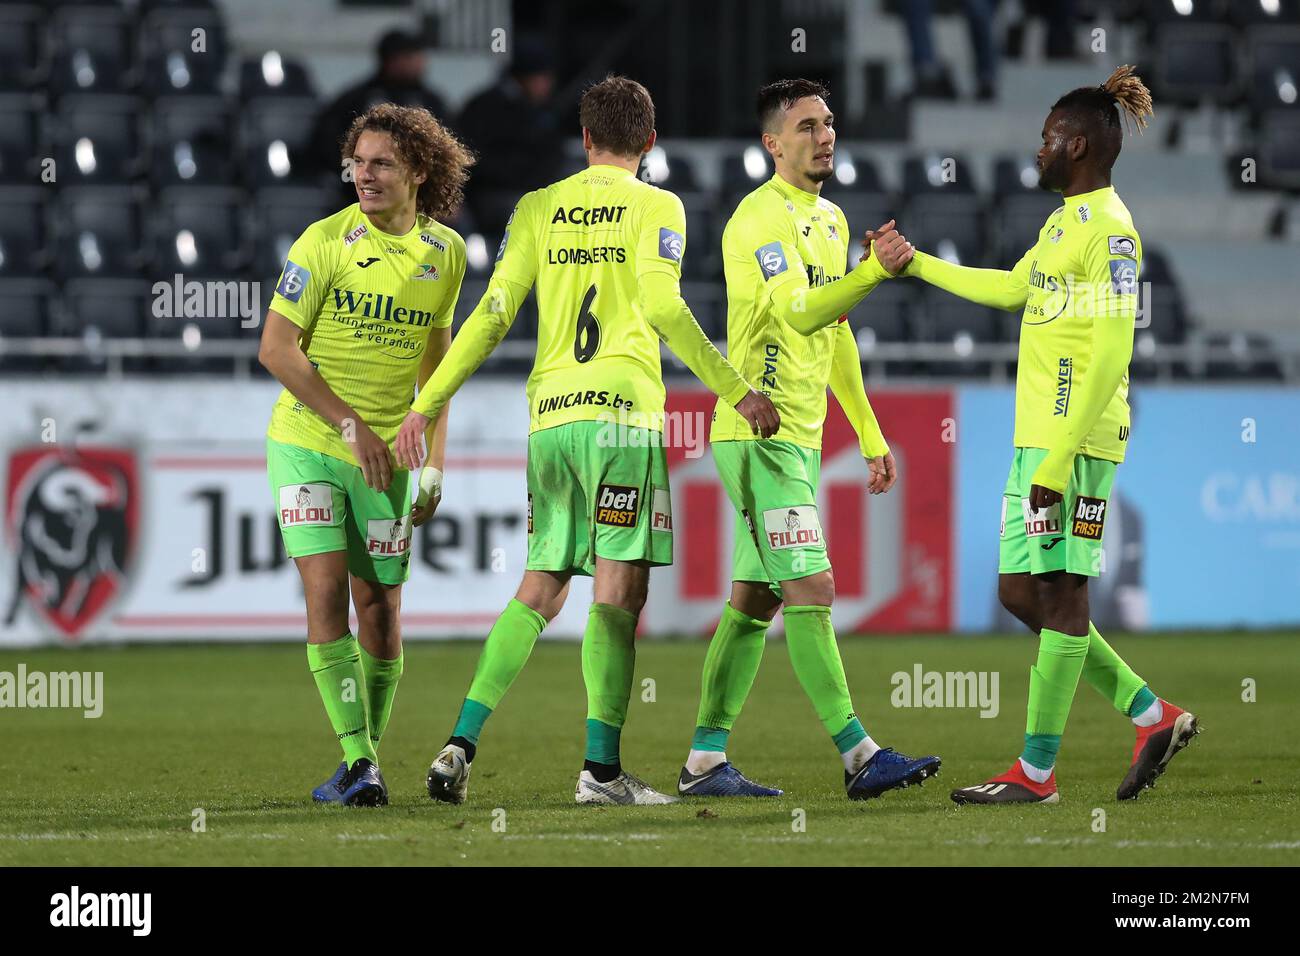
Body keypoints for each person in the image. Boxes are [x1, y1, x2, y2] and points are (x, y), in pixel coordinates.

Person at [391, 75, 780, 806]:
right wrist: (736, 389)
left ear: (586, 139)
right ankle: (601, 773)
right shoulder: (659, 204)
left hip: (552, 421)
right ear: (651, 143)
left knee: (540, 587)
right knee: (619, 594)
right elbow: (664, 305)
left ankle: (461, 741)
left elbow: (492, 313)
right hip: (622, 418)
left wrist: (428, 401)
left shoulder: (538, 207)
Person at [893, 66, 1198, 804]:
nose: (1039, 149)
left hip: (1078, 443)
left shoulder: (1113, 234)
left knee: (1061, 593)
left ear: (1082, 143)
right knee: (1018, 593)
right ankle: (1151, 714)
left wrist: (1060, 458)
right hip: (1038, 438)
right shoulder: (1062, 223)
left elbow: (1114, 349)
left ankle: (1035, 772)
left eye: (1048, 138)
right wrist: (917, 265)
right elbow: (1010, 288)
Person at [676, 78, 941, 801]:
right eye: (805, 125)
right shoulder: (758, 220)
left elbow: (836, 334)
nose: (824, 135)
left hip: (796, 437)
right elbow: (796, 314)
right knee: (812, 588)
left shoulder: (828, 219)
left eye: (828, 122)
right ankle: (860, 756)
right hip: (759, 435)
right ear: (772, 143)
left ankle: (704, 761)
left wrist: (871, 432)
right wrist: (870, 273)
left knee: (754, 601)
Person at [258, 104, 473, 806]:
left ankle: (366, 760)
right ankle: (358, 763)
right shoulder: (322, 243)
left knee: (379, 608)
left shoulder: (446, 256)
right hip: (310, 442)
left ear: (418, 169)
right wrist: (350, 427)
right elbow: (276, 351)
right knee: (325, 592)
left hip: (389, 457)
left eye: (381, 162)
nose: (365, 174)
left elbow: (436, 376)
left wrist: (435, 462)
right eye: (358, 161)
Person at [310, 30, 451, 193]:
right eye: (411, 56)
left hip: (421, 192)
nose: (421, 63)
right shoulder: (357, 99)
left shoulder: (431, 101)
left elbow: (448, 149)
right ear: (392, 60)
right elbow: (327, 144)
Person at [456, 37, 567, 237]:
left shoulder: (541, 110)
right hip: (494, 195)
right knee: (520, 214)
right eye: (543, 78)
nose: (547, 85)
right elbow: (474, 159)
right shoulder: (486, 106)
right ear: (526, 77)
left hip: (536, 191)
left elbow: (554, 155)